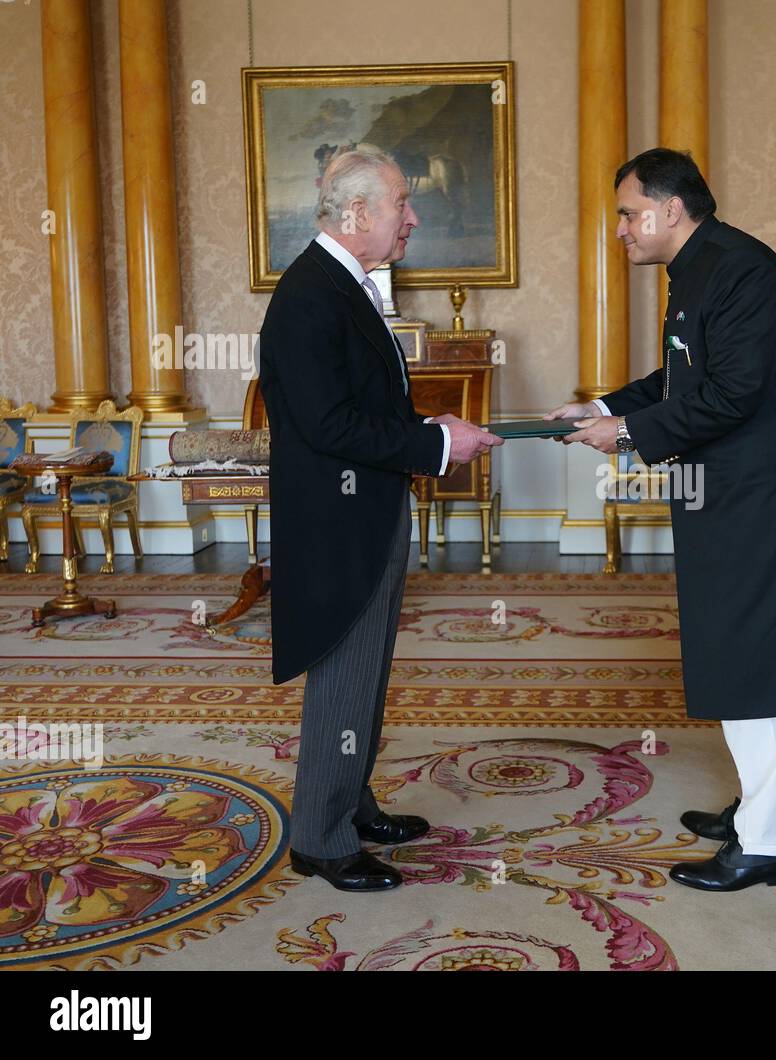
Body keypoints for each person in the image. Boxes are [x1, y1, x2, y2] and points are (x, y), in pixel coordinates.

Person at [548, 148, 776, 892]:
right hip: (731, 501)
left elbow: (734, 395)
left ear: (670, 209)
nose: (622, 230)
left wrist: (627, 435)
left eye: (629, 214)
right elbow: (684, 377)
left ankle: (765, 847)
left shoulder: (743, 271)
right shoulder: (701, 268)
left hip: (774, 506)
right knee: (746, 660)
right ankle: (758, 809)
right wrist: (603, 409)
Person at [259, 147, 502, 891]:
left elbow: (365, 407)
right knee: (343, 670)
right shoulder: (308, 294)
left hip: (366, 508)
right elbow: (331, 425)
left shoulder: (344, 283)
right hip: (338, 522)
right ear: (358, 213)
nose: (414, 217)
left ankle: (351, 802)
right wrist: (435, 441)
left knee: (366, 673)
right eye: (403, 203)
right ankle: (322, 839)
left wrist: (429, 433)